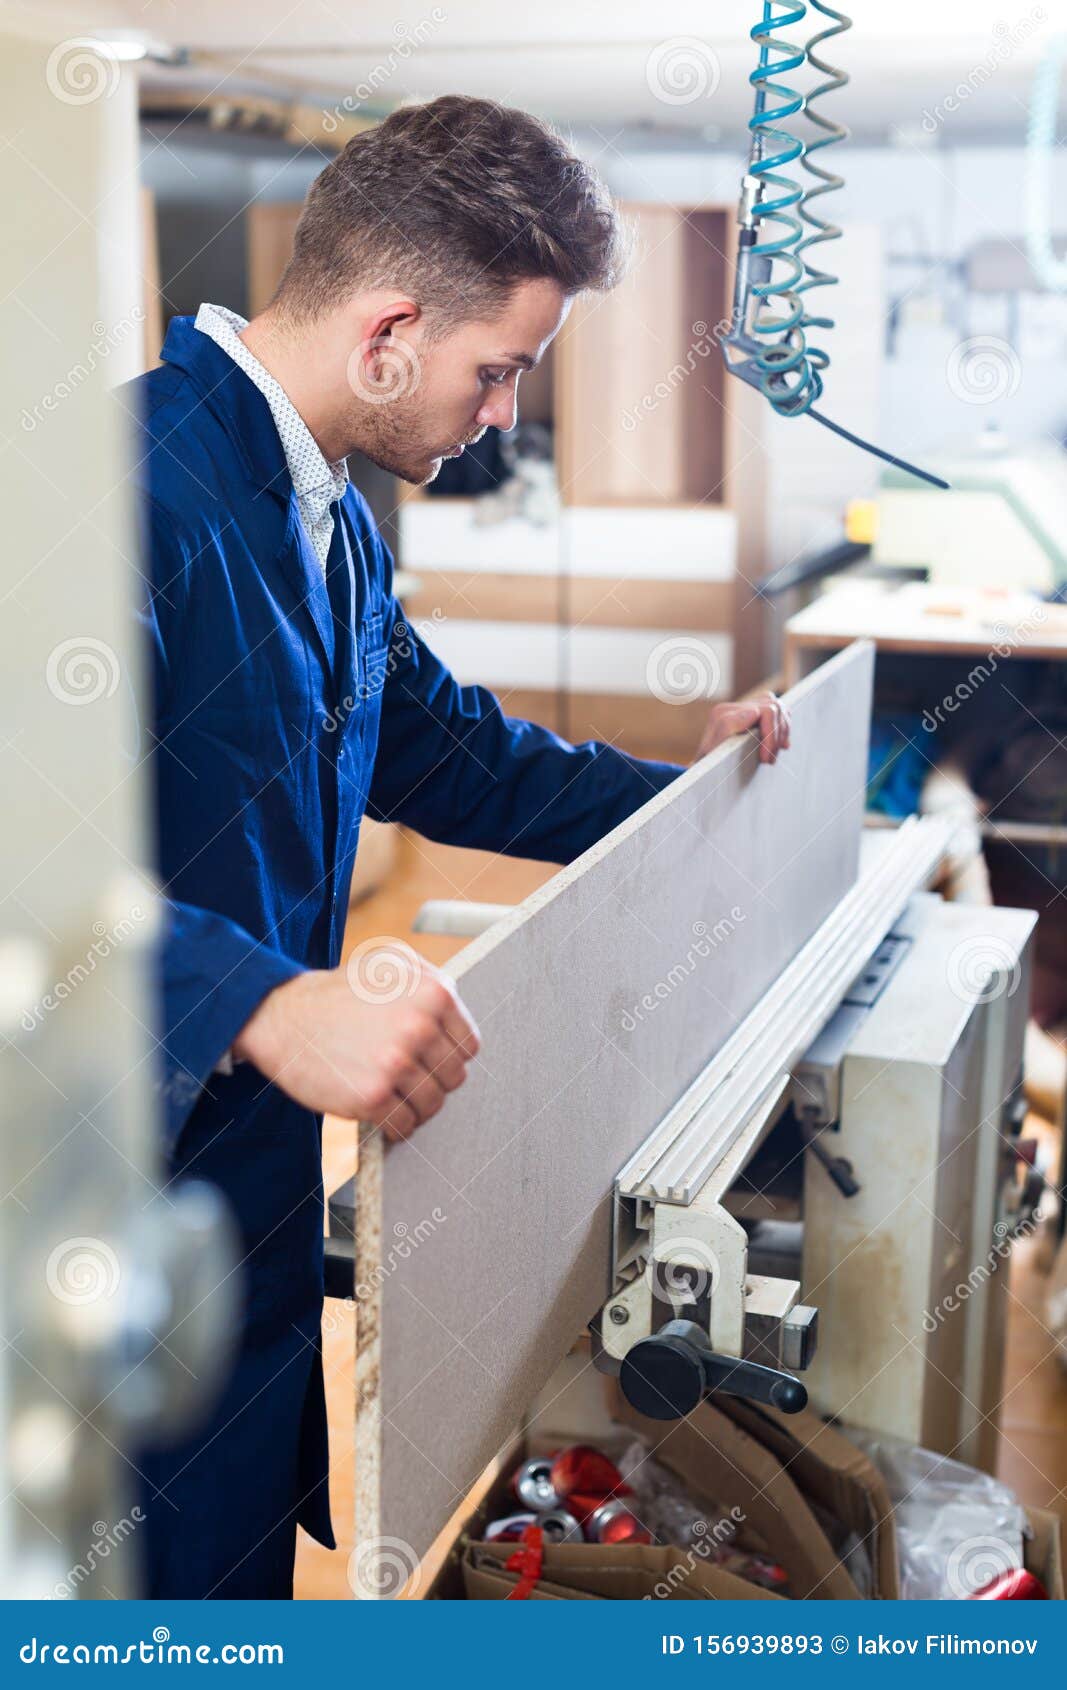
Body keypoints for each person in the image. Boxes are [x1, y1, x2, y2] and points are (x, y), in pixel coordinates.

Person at [126, 94, 789, 1599]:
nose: (502, 416)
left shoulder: (329, 523)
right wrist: (255, 997)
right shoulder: (136, 492)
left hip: (243, 1216)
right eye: (499, 374)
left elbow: (454, 748)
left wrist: (689, 793)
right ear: (390, 329)